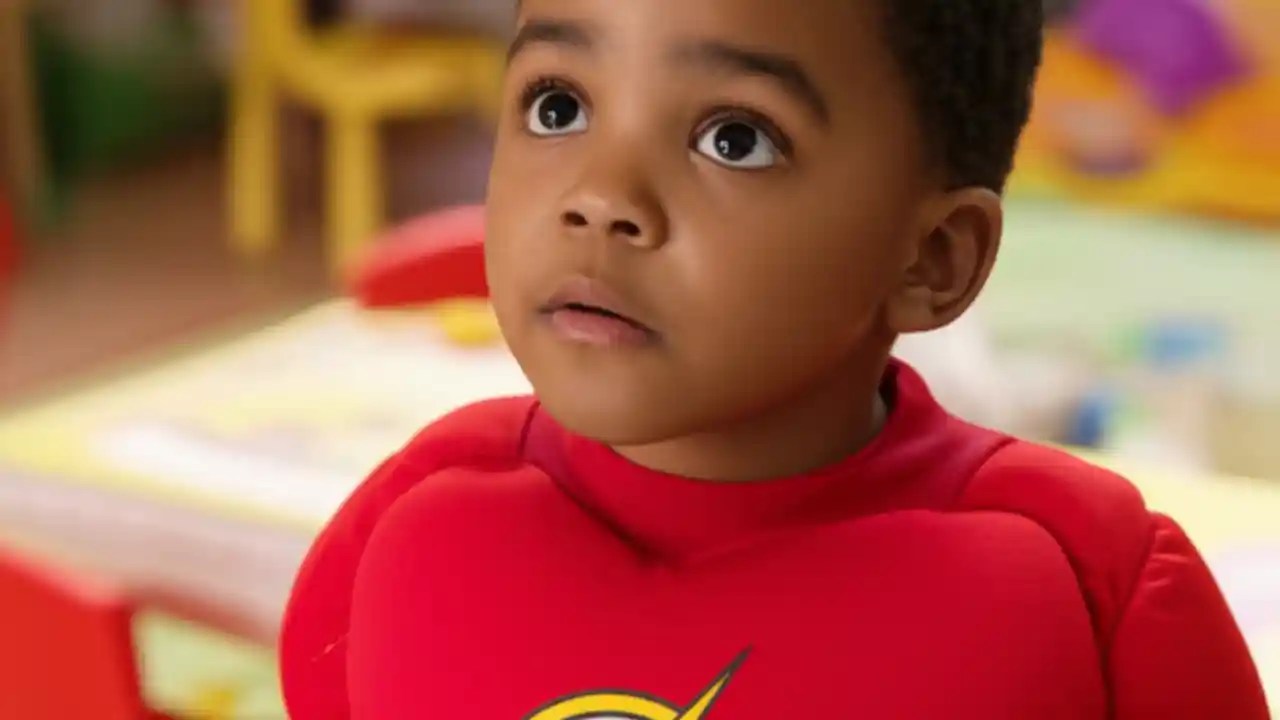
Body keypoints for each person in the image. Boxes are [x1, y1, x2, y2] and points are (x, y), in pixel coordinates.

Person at [280, 0, 1270, 717]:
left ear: (932, 259)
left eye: (734, 138)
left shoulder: (1102, 594)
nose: (601, 196)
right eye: (556, 107)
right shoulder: (409, 517)